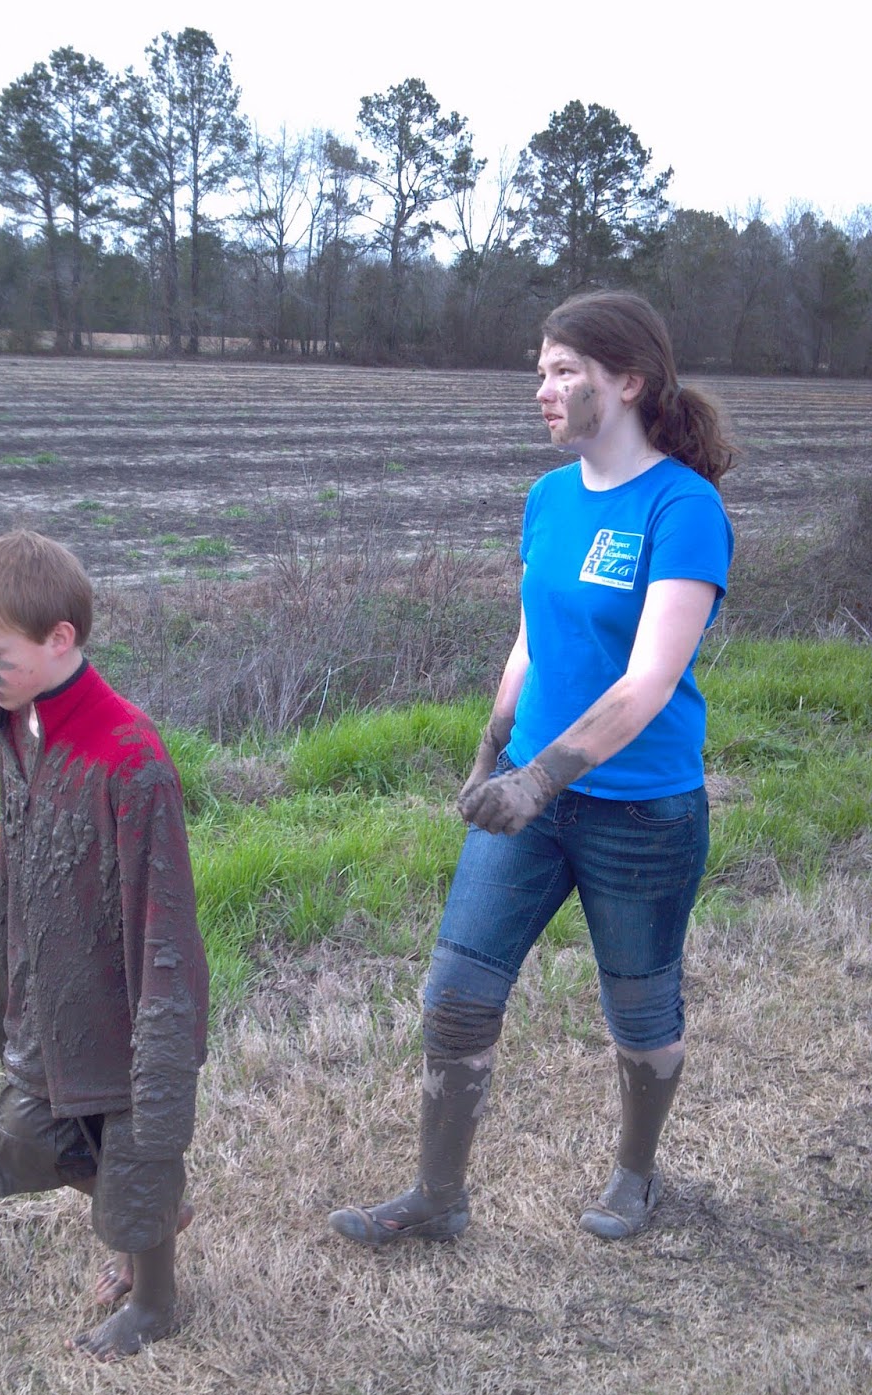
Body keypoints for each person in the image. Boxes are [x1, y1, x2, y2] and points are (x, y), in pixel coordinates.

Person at [329, 290, 734, 1248]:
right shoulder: (549, 500)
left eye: (564, 373)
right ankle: (439, 1197)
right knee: (457, 998)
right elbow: (531, 638)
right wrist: (493, 742)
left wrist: (539, 778)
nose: (542, 391)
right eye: (540, 371)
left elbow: (645, 683)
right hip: (530, 795)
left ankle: (637, 1177)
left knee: (641, 1010)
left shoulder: (684, 507)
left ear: (627, 382)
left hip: (640, 811)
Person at [0, 530, 209, 1359]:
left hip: (124, 1002)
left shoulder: (131, 758)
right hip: (48, 988)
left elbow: (166, 926)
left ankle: (155, 1299)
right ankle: (156, 1211)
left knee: (134, 1151)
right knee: (27, 1139)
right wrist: (4, 985)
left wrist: (159, 1047)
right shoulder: (18, 727)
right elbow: (11, 868)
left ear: (61, 640)